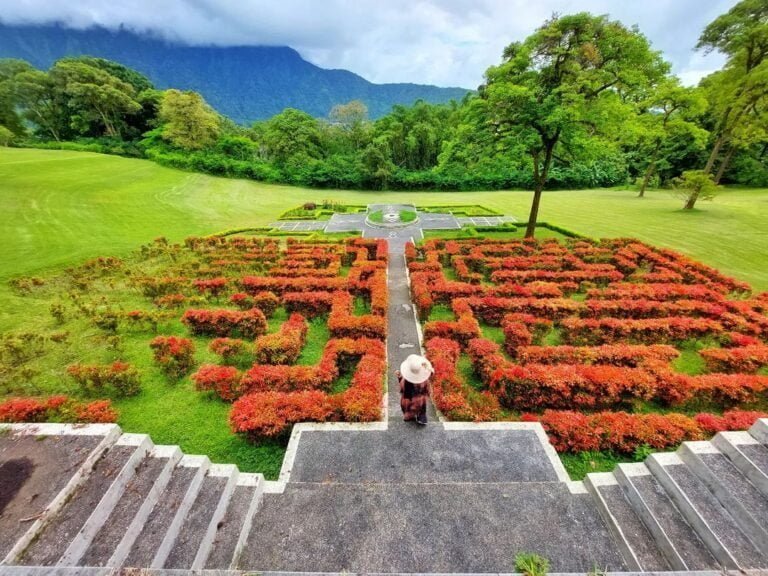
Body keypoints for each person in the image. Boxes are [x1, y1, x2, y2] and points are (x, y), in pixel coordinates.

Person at [396, 353, 433, 425]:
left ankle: (410, 417)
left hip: (409, 400)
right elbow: (430, 374)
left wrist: (400, 377)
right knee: (422, 409)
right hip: (421, 399)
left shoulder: (406, 381)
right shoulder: (424, 378)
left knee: (409, 410)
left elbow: (402, 389)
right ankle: (422, 417)